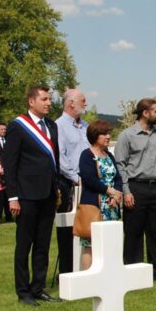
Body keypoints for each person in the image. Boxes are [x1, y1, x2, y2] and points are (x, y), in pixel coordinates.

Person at [3, 85, 64, 306]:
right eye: (44, 99)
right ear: (31, 101)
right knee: (24, 245)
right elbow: (10, 164)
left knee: (43, 244)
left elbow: (53, 160)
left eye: (50, 99)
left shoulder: (52, 126)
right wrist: (13, 197)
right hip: (27, 195)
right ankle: (23, 291)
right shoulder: (18, 127)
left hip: (47, 193)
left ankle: (38, 288)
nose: (49, 103)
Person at [115, 98, 156, 283]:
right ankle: (133, 272)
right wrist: (126, 191)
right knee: (133, 232)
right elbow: (120, 165)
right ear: (145, 113)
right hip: (136, 188)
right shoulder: (127, 135)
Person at [76, 120, 124, 270]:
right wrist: (108, 191)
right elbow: (89, 178)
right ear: (95, 136)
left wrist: (116, 195)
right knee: (89, 244)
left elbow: (117, 177)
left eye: (109, 133)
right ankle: (87, 279)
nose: (108, 136)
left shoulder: (109, 155)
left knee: (110, 242)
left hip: (111, 207)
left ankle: (109, 273)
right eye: (104, 134)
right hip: (93, 206)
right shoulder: (86, 155)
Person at [55, 88, 89, 276]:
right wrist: (76, 178)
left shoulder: (85, 126)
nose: (85, 104)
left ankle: (86, 267)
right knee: (67, 229)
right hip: (69, 184)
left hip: (87, 183)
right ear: (70, 103)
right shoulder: (58, 126)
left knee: (88, 226)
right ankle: (67, 271)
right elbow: (60, 157)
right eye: (82, 101)